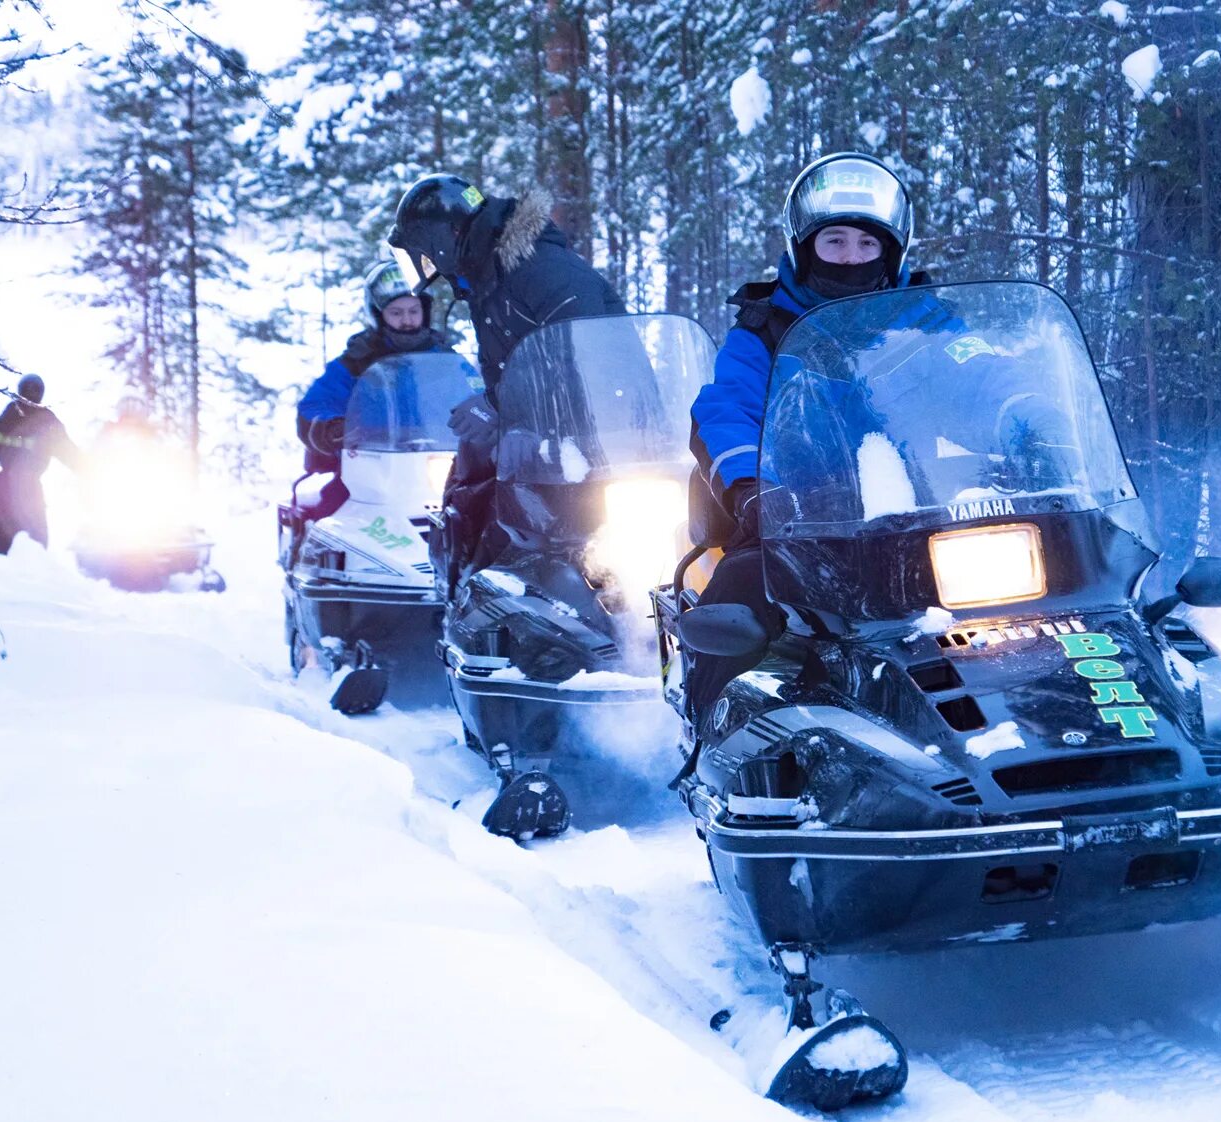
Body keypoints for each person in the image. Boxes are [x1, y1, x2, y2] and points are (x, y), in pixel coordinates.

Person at [684, 152, 927, 720]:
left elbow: (986, 377)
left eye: (868, 245)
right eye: (834, 241)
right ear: (804, 245)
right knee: (745, 579)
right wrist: (751, 488)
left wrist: (1030, 421)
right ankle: (708, 722)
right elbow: (726, 409)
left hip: (925, 507)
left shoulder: (925, 319)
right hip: (800, 513)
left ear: (892, 254)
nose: (851, 257)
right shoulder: (764, 329)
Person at [386, 173, 624, 573]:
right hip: (550, 448)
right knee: (469, 495)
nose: (425, 266)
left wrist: (517, 418)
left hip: (602, 446)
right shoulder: (487, 280)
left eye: (422, 253)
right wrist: (499, 410)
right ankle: (465, 608)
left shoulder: (539, 269)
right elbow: (520, 366)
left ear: (441, 238)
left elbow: (592, 363)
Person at [295, 259, 470, 517]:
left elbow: (474, 394)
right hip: (371, 469)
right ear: (379, 314)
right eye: (396, 313)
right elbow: (316, 405)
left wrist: (488, 417)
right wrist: (331, 427)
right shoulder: (356, 361)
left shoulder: (448, 360)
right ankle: (306, 553)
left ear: (425, 310)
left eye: (413, 311)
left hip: (442, 465)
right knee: (329, 516)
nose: (407, 320)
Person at [0, 373, 83, 555]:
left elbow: (69, 452)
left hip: (30, 490)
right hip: (5, 491)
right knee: (6, 550)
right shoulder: (7, 418)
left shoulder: (47, 421)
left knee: (37, 547)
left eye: (36, 389)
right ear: (20, 391)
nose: (31, 393)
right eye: (28, 389)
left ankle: (36, 576)